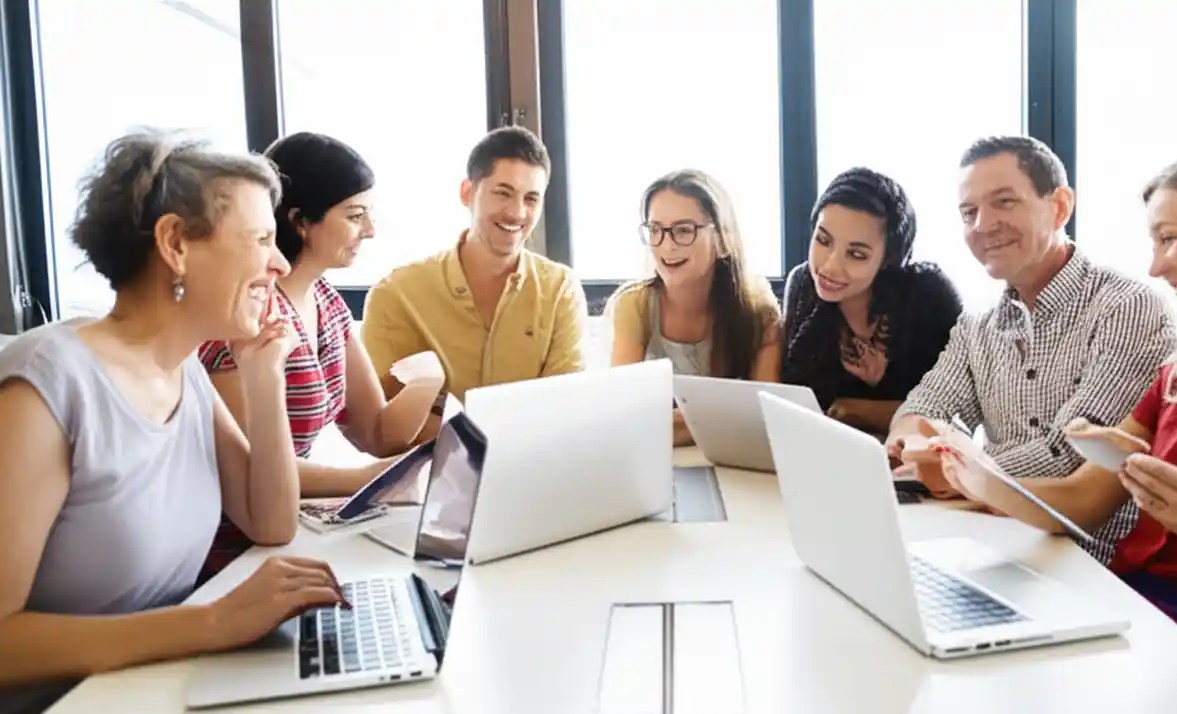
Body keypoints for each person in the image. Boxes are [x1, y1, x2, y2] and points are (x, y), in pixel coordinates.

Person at [0, 131, 345, 714]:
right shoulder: (47, 387)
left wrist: (263, 380)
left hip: (151, 691)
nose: (281, 263)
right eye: (262, 239)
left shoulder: (186, 369)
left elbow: (271, 522)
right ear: (175, 243)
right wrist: (210, 622)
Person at [933, 137, 1177, 700]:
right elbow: (1082, 501)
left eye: (1170, 239)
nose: (1155, 264)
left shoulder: (1134, 318)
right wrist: (971, 472)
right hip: (1135, 601)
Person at [886, 135, 1177, 564]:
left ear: (1059, 206)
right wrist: (910, 446)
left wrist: (952, 467)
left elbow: (1067, 456)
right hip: (994, 541)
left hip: (1098, 564)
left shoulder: (1128, 308)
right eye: (969, 212)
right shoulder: (977, 323)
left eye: (1004, 202)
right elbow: (925, 407)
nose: (982, 225)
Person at [197, 132, 444, 580]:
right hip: (234, 549)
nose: (369, 230)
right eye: (354, 216)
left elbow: (378, 433)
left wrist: (428, 381)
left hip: (291, 528)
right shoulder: (249, 320)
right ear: (300, 221)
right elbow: (251, 466)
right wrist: (369, 479)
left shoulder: (327, 303)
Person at [361, 126, 588, 403]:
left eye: (531, 199)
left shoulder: (560, 289)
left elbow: (564, 403)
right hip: (434, 448)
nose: (517, 212)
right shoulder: (397, 294)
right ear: (467, 193)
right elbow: (384, 417)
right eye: (503, 193)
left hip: (535, 447)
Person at [782, 167, 962, 436]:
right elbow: (792, 405)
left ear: (889, 260)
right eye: (823, 240)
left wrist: (863, 410)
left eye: (856, 254)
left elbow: (958, 415)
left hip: (916, 464)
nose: (829, 267)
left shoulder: (929, 295)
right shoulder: (803, 285)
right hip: (826, 457)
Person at [606, 169, 781, 445]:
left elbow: (765, 416)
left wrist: (667, 423)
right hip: (656, 458)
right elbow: (622, 416)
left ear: (722, 238)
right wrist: (723, 416)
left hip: (732, 460)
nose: (667, 245)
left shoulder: (758, 309)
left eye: (684, 230)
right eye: (655, 230)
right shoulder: (634, 304)